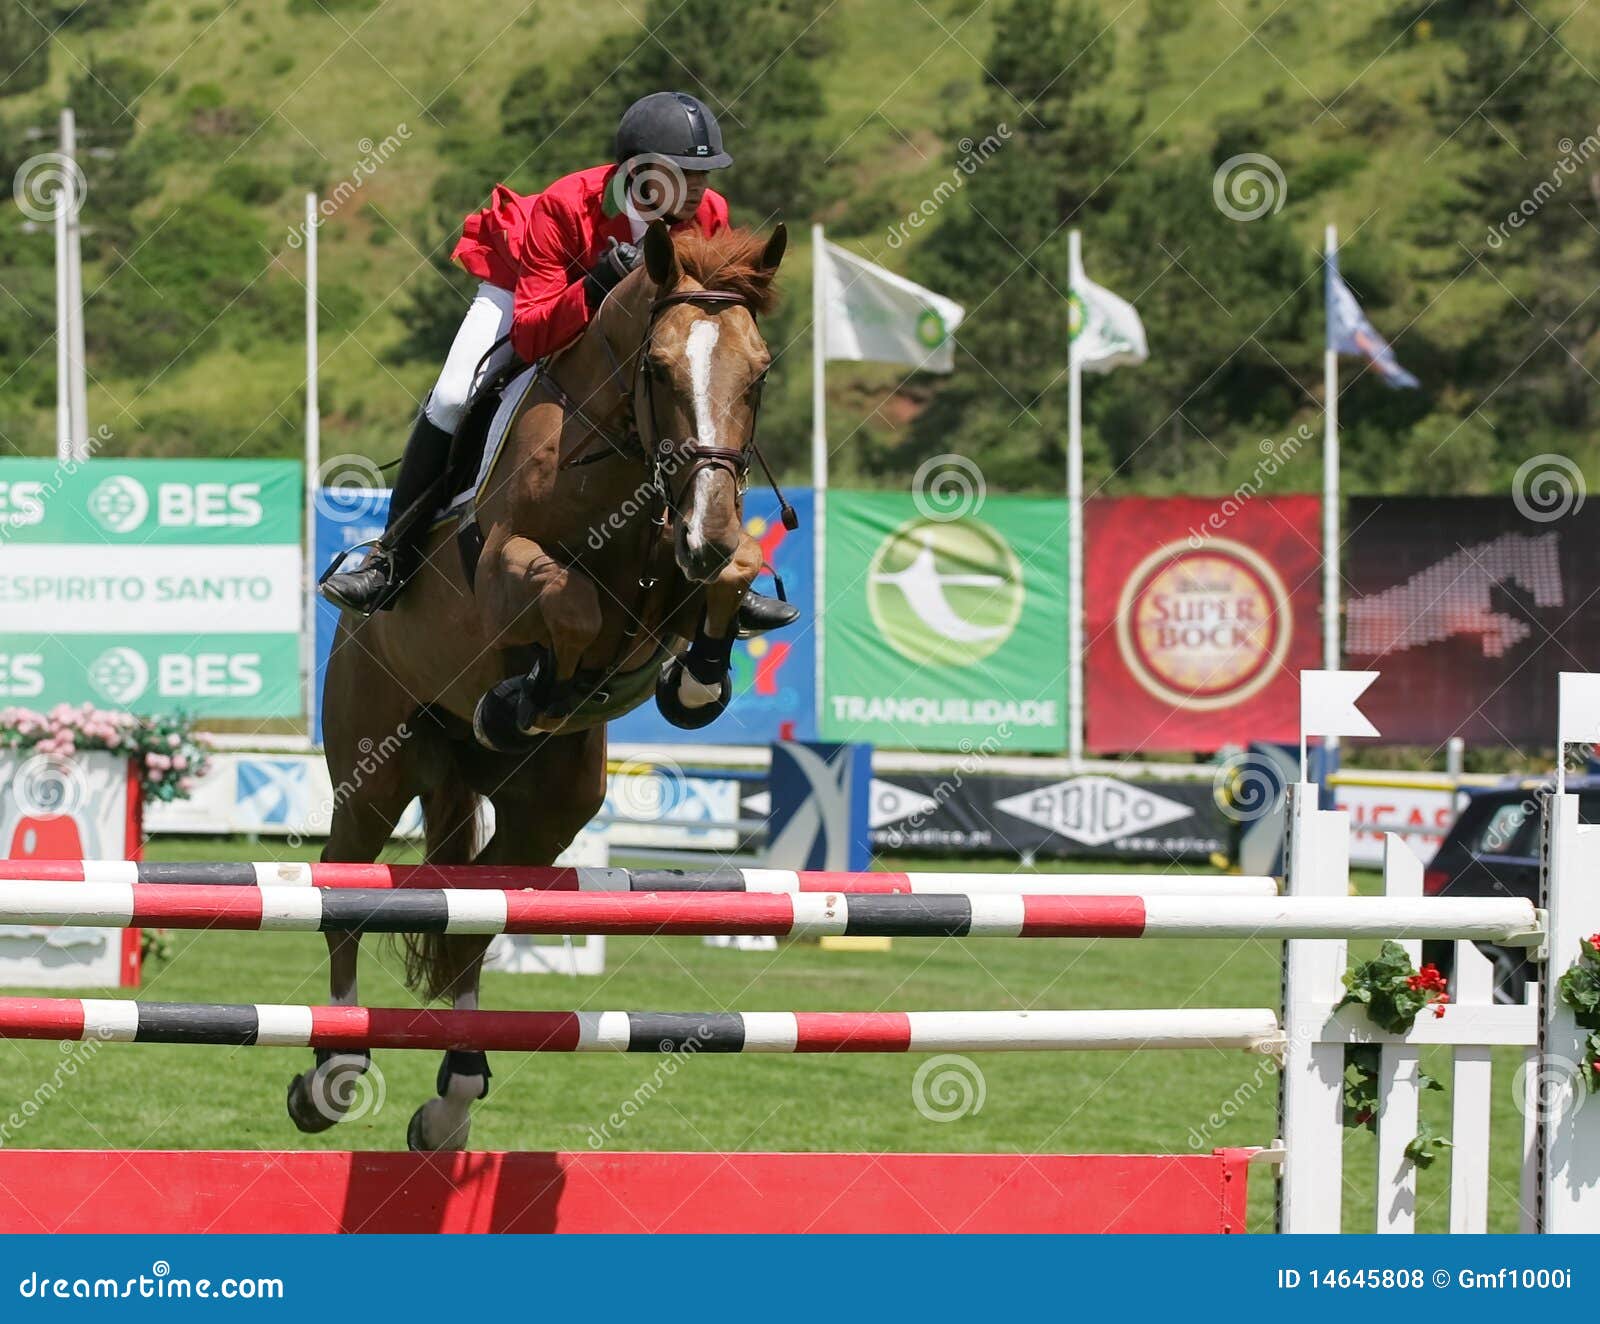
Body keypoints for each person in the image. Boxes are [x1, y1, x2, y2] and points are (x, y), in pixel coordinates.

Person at [321, 91, 798, 638]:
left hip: (627, 330)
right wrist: (598, 281)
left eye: (702, 174)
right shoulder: (566, 206)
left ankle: (723, 564)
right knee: (453, 395)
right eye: (683, 173)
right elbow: (532, 335)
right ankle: (392, 558)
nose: (697, 189)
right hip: (523, 292)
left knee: (704, 402)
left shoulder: (711, 214)